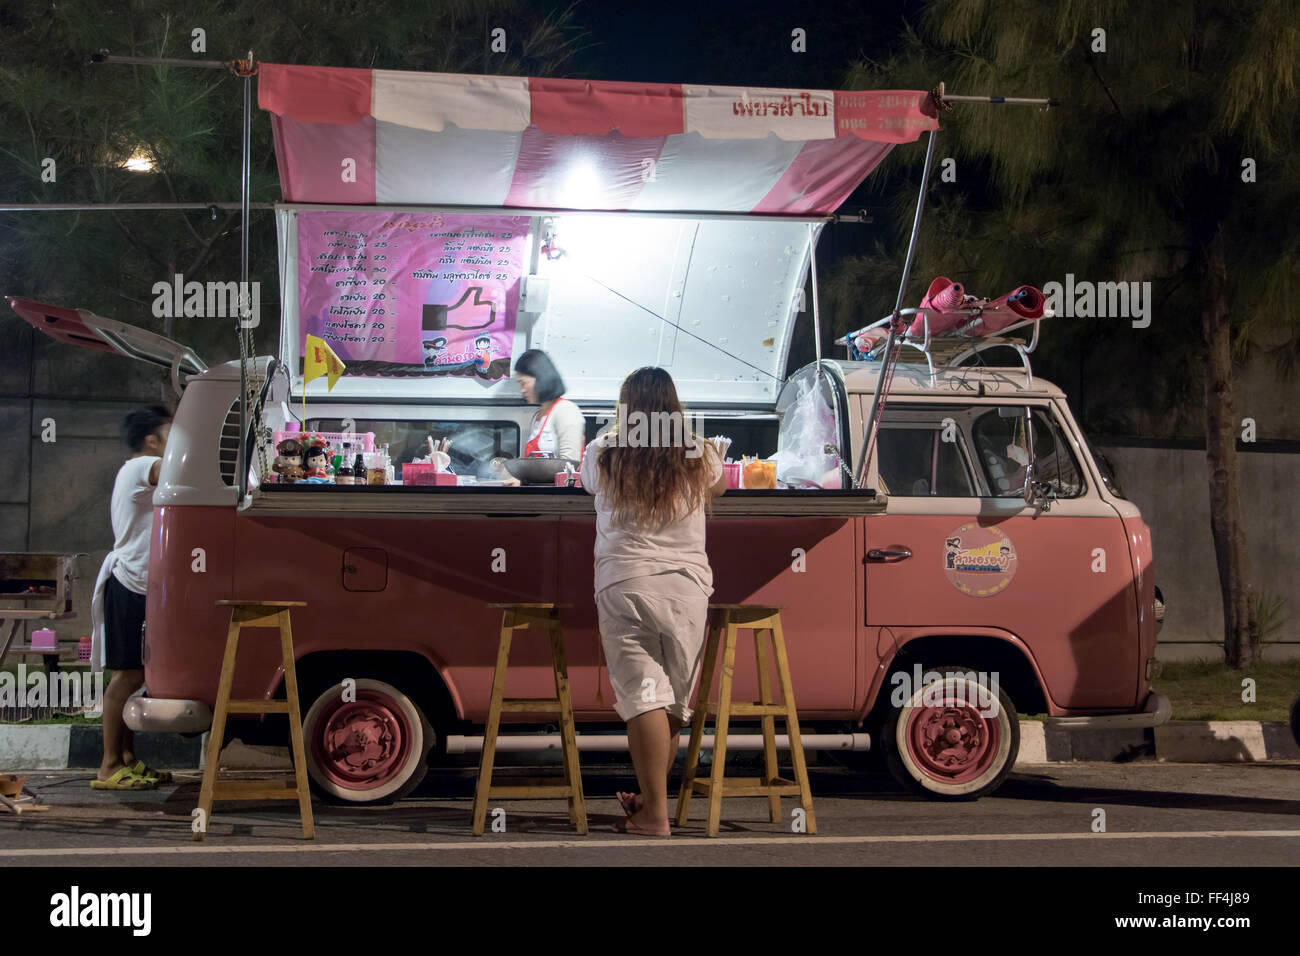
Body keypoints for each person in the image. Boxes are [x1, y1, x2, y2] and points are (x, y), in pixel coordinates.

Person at [580, 367, 726, 835]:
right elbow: (720, 486)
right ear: (674, 406)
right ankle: (650, 803)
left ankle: (655, 814)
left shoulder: (602, 452)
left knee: (646, 697)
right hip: (686, 590)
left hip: (625, 583)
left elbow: (585, 485)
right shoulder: (700, 454)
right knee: (672, 703)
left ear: (625, 408)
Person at [90, 405, 173, 790]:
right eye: (171, 434)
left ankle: (126, 758)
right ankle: (108, 765)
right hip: (129, 583)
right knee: (125, 676)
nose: (176, 442)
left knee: (137, 675)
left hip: (140, 584)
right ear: (152, 441)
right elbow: (175, 470)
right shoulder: (141, 467)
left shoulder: (136, 469)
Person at [498, 348, 585, 485]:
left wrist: (523, 482)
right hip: (540, 495)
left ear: (541, 378)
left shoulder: (565, 411)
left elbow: (570, 471)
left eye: (524, 383)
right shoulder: (537, 417)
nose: (522, 390)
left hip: (559, 498)